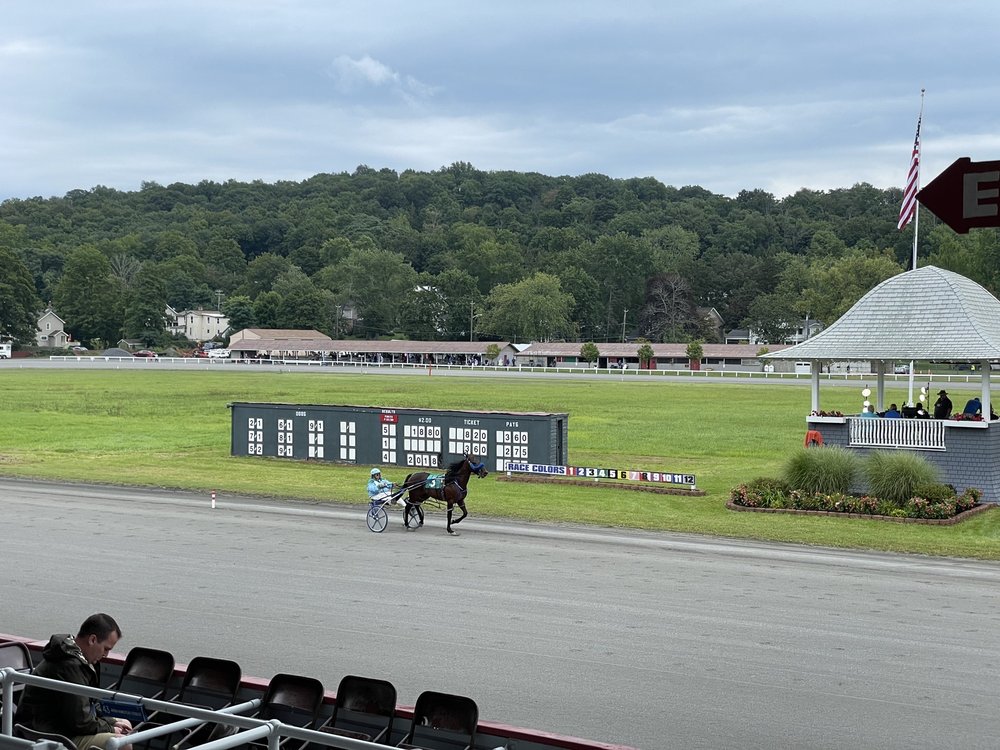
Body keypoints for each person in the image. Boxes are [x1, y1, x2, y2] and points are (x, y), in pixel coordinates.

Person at [14, 613, 133, 750]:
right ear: (93, 640)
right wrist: (111, 729)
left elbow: (86, 707)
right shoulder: (70, 666)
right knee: (123, 743)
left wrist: (112, 722)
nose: (106, 655)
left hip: (58, 726)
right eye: (106, 649)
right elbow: (80, 721)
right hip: (48, 733)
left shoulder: (74, 657)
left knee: (124, 723)